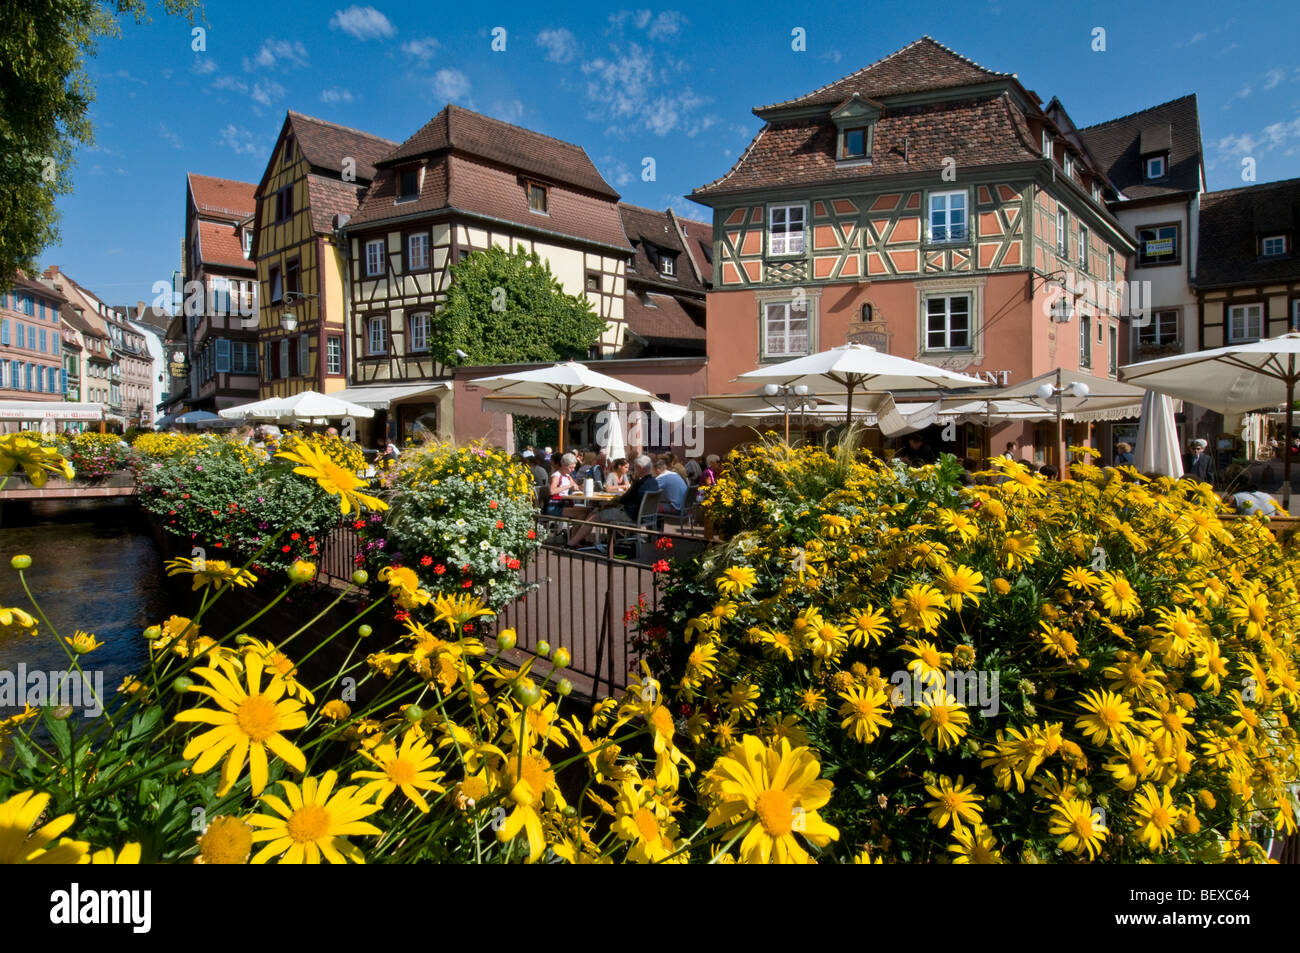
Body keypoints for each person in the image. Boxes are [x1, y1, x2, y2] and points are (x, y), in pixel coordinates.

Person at [566, 455, 658, 548]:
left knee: (594, 516)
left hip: (630, 515)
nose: (633, 469)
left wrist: (610, 503)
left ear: (640, 468)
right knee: (598, 512)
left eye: (635, 467)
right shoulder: (654, 482)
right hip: (645, 516)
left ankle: (571, 543)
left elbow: (623, 500)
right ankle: (582, 540)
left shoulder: (639, 483)